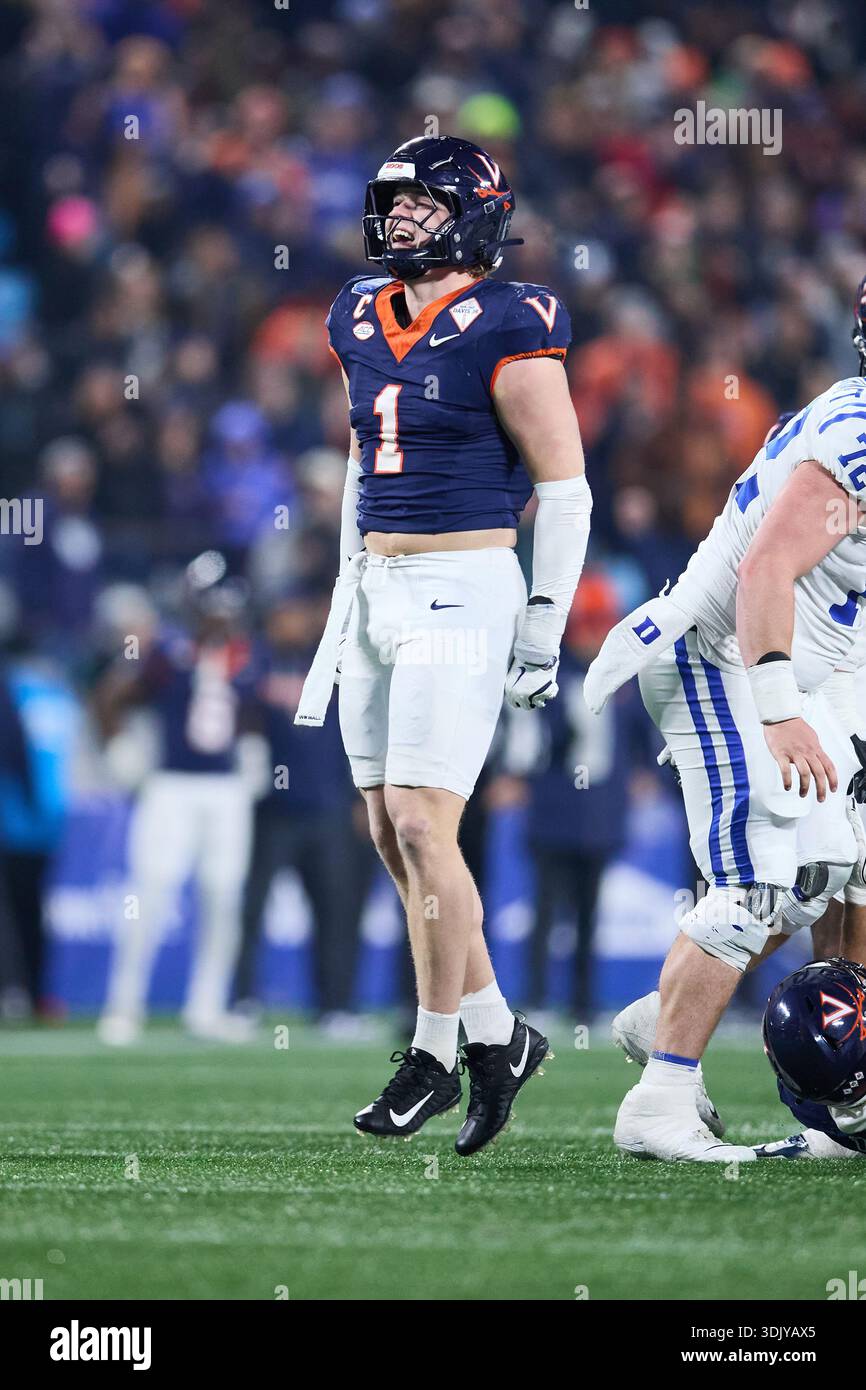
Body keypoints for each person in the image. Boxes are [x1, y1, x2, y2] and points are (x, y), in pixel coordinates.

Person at [295, 135, 591, 1153]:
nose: (399, 219)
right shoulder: (355, 311)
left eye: (421, 204)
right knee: (385, 827)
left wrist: (544, 625)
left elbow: (563, 486)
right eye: (393, 203)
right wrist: (345, 586)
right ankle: (496, 1033)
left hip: (461, 587)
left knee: (426, 824)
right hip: (377, 584)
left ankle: (432, 1051)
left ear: (468, 212)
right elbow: (355, 463)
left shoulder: (513, 319)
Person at [584, 275, 866, 1161]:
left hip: (817, 664)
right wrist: (781, 714)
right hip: (722, 653)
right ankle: (658, 1101)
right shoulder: (858, 436)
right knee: (754, 879)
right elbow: (767, 573)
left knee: (844, 870)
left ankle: (837, 1099)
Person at [94, 565, 258, 1044]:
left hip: (225, 790)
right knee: (150, 893)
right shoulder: (167, 652)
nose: (221, 615)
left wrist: (253, 751)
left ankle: (205, 1007)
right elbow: (109, 697)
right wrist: (119, 749)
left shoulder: (247, 654)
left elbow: (253, 712)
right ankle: (124, 1006)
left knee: (223, 897)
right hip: (171, 786)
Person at [233, 585, 367, 1033]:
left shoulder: (335, 661)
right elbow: (236, 709)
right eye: (282, 614)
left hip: (329, 807)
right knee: (253, 909)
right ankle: (242, 1000)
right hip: (274, 809)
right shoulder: (257, 663)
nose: (290, 623)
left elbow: (359, 730)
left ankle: (334, 1005)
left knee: (335, 910)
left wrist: (359, 797)